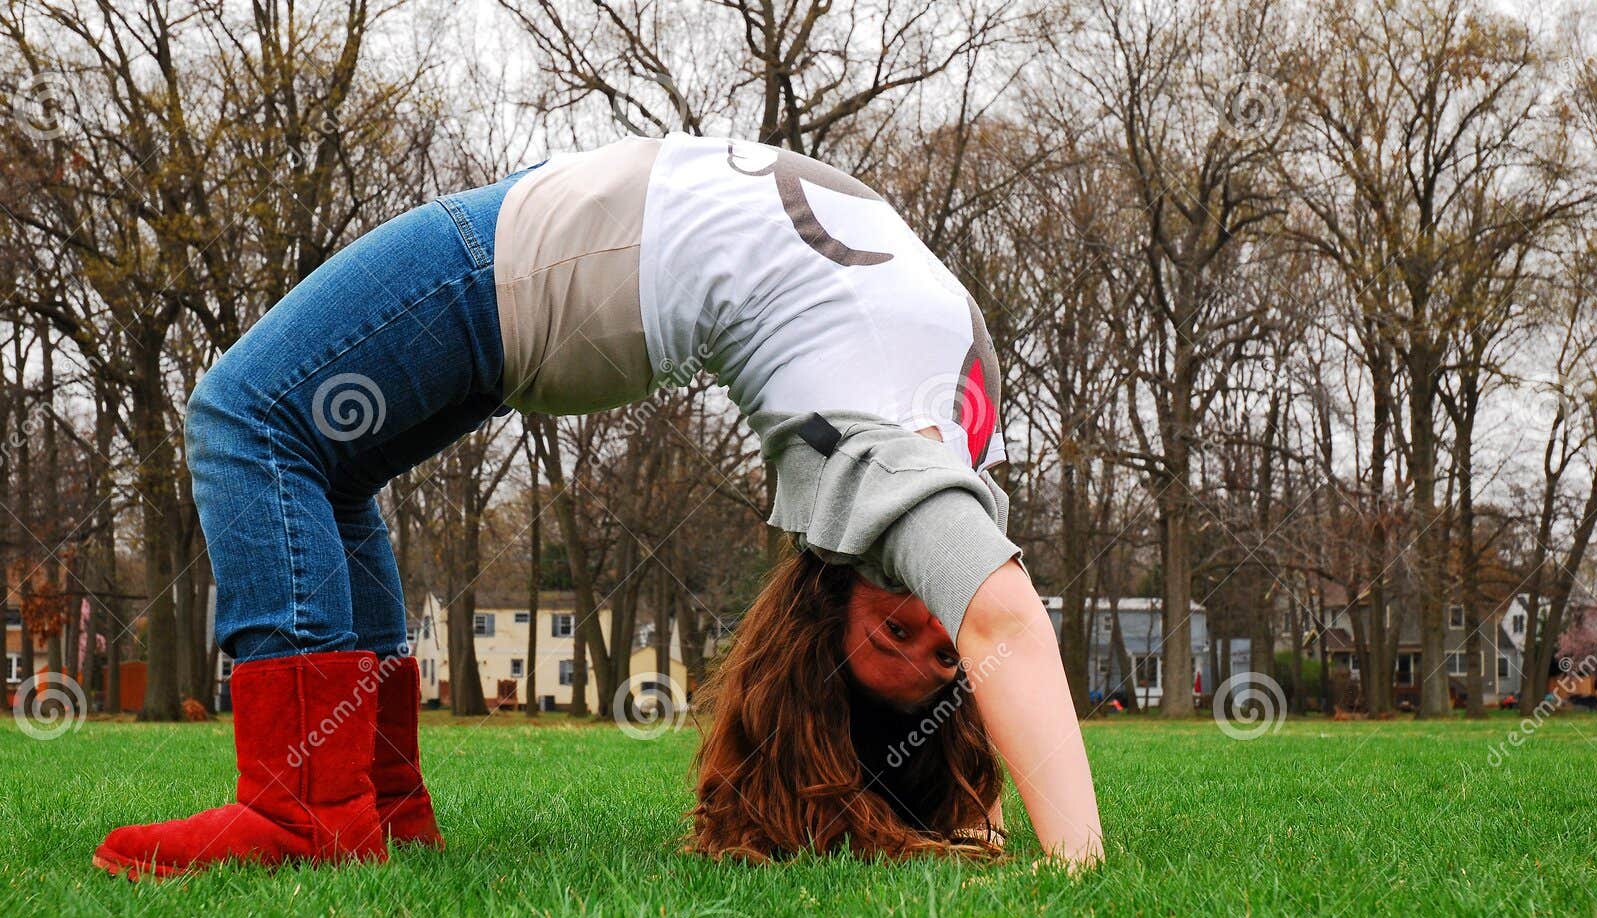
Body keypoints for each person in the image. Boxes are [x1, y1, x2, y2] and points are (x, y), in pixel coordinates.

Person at [93, 134, 1104, 879]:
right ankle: (378, 804)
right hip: (579, 256)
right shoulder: (963, 445)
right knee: (329, 464)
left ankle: (303, 807)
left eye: (900, 635)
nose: (938, 620)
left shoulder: (885, 477)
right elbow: (992, 634)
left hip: (548, 266)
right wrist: (977, 807)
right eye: (945, 662)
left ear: (832, 609)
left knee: (247, 416)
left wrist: (1076, 870)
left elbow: (1004, 620)